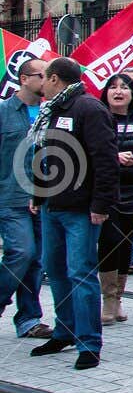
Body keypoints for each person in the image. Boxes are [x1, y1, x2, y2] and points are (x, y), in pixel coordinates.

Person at [27, 58, 118, 370]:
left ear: (54, 79)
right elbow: (46, 155)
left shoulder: (88, 109)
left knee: (81, 272)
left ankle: (89, 342)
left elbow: (105, 159)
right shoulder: (53, 110)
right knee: (56, 270)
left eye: (44, 78)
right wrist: (38, 193)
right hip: (53, 205)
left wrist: (101, 205)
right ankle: (64, 330)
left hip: (81, 208)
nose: (42, 85)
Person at [96, 73, 133, 326]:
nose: (118, 91)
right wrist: (115, 159)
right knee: (109, 243)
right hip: (108, 194)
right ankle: (108, 299)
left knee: (124, 246)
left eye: (124, 87)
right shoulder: (99, 118)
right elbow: (92, 153)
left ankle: (118, 298)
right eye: (112, 87)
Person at [0, 58, 51, 341]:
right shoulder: (4, 112)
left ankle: (29, 319)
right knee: (21, 253)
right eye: (42, 75)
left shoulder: (49, 112)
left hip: (43, 199)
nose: (48, 80)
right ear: (24, 79)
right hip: (10, 196)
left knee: (36, 262)